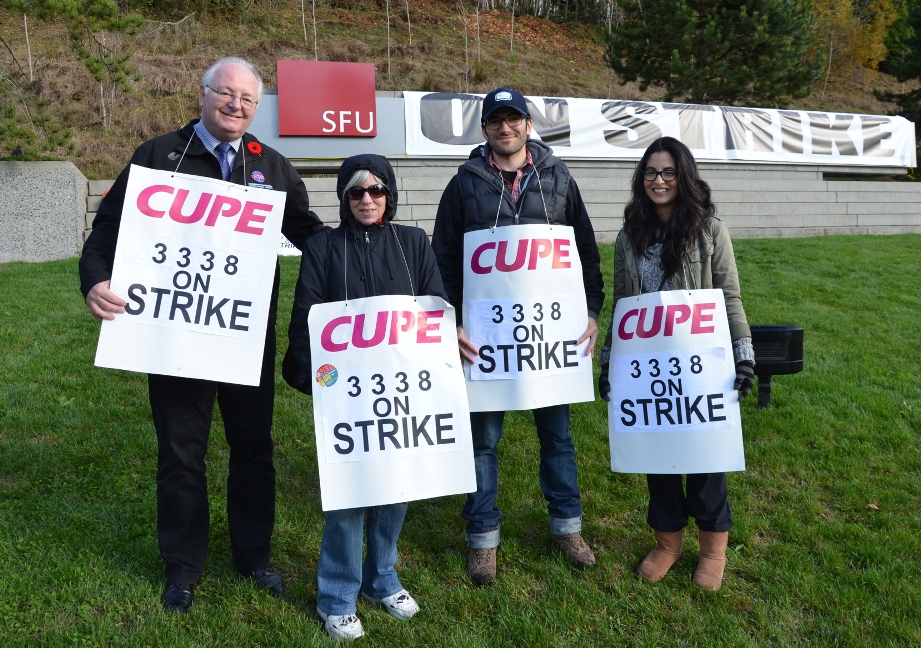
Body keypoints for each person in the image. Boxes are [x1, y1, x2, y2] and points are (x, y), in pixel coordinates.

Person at [78, 56, 328, 613]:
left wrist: (367, 259)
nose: (235, 105)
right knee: (181, 454)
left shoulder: (271, 165)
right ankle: (183, 566)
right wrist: (94, 279)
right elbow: (108, 230)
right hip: (173, 337)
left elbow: (310, 235)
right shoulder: (159, 155)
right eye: (225, 93)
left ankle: (253, 556)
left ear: (256, 107)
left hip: (243, 336)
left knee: (254, 448)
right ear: (203, 93)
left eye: (246, 98)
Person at [432, 87, 605, 585]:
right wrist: (451, 322)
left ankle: (567, 527)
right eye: (495, 121)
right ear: (484, 128)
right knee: (483, 442)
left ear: (528, 124)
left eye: (513, 120)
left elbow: (585, 251)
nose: (504, 128)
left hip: (549, 340)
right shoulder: (463, 184)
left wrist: (590, 311)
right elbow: (442, 258)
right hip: (486, 341)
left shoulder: (559, 178)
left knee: (558, 437)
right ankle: (482, 539)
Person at [282, 154, 446, 641]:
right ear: (343, 198)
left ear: (390, 195)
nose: (367, 199)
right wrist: (311, 376)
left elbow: (433, 303)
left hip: (402, 394)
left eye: (376, 191)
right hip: (346, 396)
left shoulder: (413, 242)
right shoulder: (323, 248)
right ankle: (337, 594)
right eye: (356, 192)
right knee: (348, 497)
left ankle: (382, 578)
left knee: (396, 487)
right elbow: (306, 314)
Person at [598, 136, 755, 591]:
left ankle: (712, 552)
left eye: (667, 172)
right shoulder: (630, 234)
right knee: (659, 460)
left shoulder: (710, 229)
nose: (658, 180)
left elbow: (730, 297)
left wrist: (743, 358)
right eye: (650, 172)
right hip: (650, 369)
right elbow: (625, 304)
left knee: (706, 461)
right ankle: (667, 544)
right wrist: (612, 363)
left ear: (683, 176)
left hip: (702, 365)